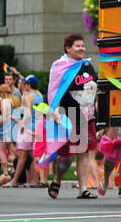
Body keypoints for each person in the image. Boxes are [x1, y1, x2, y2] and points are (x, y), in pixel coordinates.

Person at [37, 34, 100, 200]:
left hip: (87, 116)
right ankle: (57, 179)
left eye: (83, 46)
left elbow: (94, 90)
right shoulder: (60, 66)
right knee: (66, 157)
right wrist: (55, 113)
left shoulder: (87, 66)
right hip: (69, 116)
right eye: (78, 46)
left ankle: (83, 189)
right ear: (68, 48)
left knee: (84, 152)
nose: (82, 49)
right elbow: (54, 92)